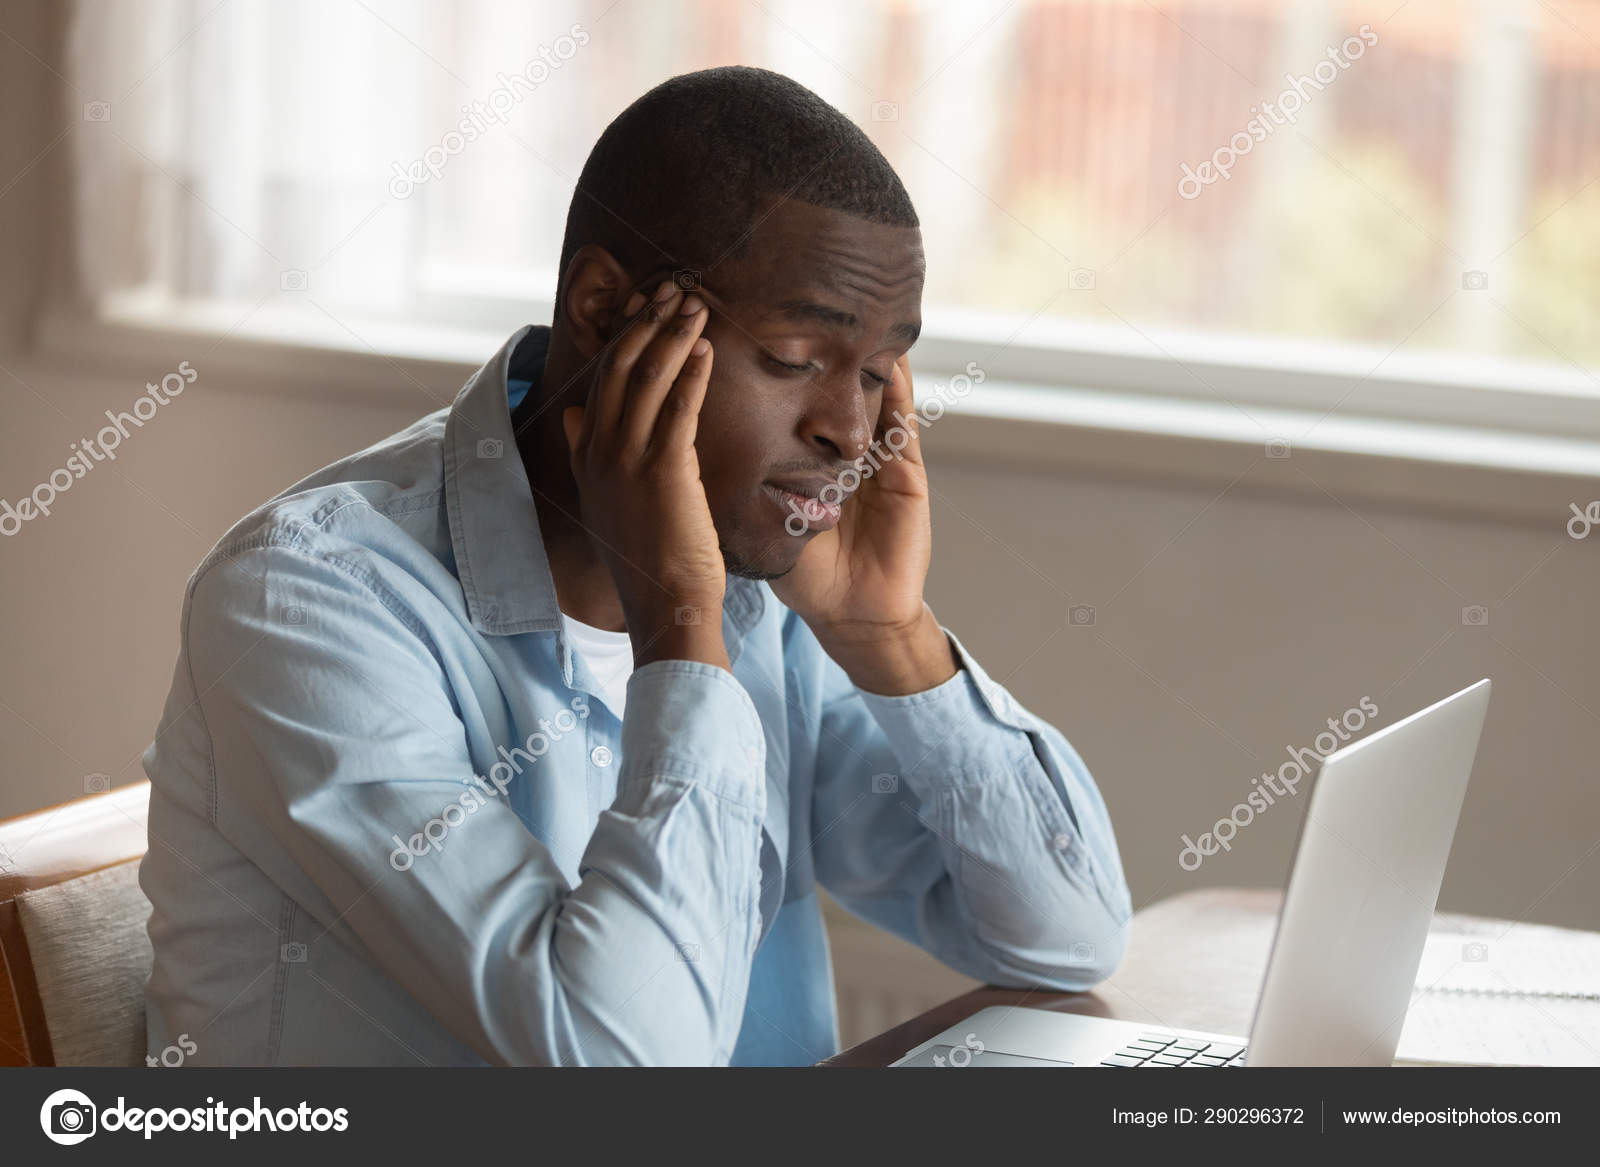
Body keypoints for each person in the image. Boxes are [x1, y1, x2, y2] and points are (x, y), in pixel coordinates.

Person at [139, 65, 1131, 1067]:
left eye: (877, 373)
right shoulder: (307, 603)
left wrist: (892, 639)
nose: (849, 428)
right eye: (795, 358)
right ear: (606, 309)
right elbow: (616, 1058)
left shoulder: (767, 590)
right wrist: (678, 626)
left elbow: (1065, 939)